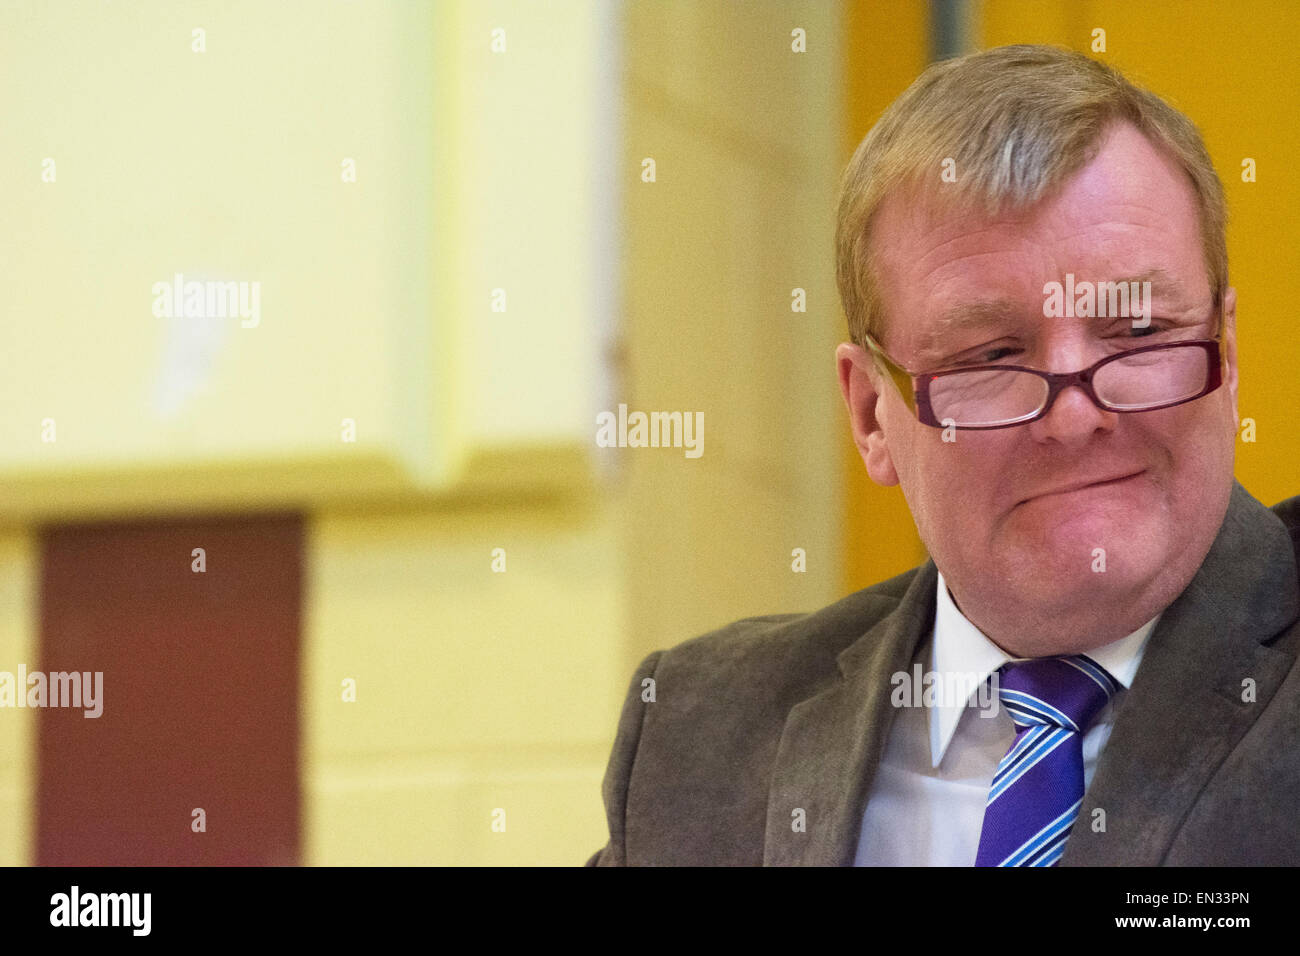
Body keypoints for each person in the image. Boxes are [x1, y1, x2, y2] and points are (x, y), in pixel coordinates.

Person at [586, 44, 1300, 866]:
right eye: (990, 357)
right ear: (871, 416)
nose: (1075, 419)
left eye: (1139, 333)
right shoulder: (699, 738)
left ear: (1229, 354)